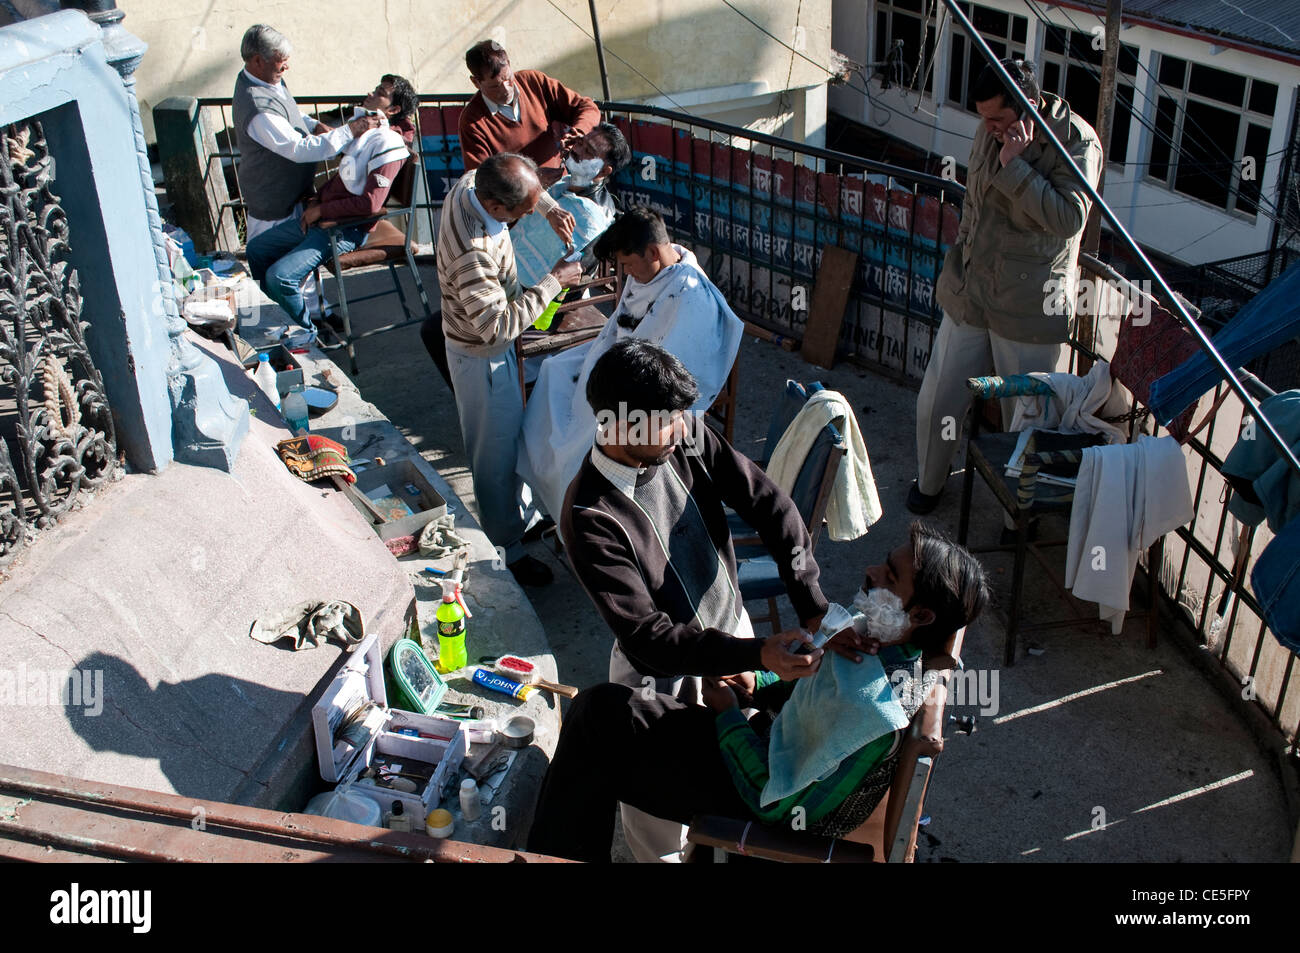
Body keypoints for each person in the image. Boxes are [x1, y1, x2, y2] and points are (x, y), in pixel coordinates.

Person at [526, 521, 990, 863]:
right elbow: (812, 692)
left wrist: (728, 715)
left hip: (759, 801)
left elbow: (779, 806)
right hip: (767, 745)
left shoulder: (872, 712)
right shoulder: (882, 640)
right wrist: (759, 683)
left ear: (923, 616)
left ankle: (555, 856)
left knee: (596, 730)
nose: (870, 572)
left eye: (889, 576)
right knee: (602, 711)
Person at [556, 339, 824, 861]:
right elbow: (648, 638)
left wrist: (810, 599)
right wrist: (755, 655)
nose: (682, 429)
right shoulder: (590, 515)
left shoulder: (687, 438)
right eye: (668, 421)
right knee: (659, 833)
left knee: (731, 792)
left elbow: (770, 505)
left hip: (735, 646)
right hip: (663, 679)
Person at [909, 58, 1102, 514]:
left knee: (1028, 417)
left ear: (1029, 107)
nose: (988, 127)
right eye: (984, 118)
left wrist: (1016, 167)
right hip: (972, 291)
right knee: (939, 399)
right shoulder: (990, 129)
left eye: (997, 118)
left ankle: (1020, 515)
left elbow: (1069, 219)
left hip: (1028, 305)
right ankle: (930, 482)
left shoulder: (1074, 140)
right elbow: (974, 204)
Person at [517, 208, 743, 524]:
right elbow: (620, 327)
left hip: (648, 383)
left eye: (627, 264)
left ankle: (582, 512)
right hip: (625, 357)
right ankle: (546, 494)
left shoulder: (692, 295)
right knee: (554, 373)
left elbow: (676, 369)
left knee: (590, 429)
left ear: (652, 252)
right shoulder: (651, 272)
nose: (626, 272)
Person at [435, 153, 584, 587]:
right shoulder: (472, 251)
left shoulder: (472, 183)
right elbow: (496, 328)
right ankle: (506, 553)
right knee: (493, 459)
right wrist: (555, 282)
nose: (526, 216)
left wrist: (548, 206)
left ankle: (519, 521)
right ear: (496, 208)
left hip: (486, 340)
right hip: (482, 355)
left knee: (512, 440)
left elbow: (510, 179)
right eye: (522, 211)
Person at [246, 76, 418, 347]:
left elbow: (371, 204)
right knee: (257, 250)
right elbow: (343, 181)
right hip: (324, 218)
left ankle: (305, 336)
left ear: (394, 109)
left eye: (380, 93)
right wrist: (317, 202)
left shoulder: (388, 144)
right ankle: (279, 322)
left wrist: (322, 210)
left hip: (345, 228)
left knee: (279, 277)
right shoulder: (366, 134)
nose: (370, 93)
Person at [232, 24, 381, 243]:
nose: (286, 68)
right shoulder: (258, 109)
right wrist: (351, 130)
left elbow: (289, 111)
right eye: (281, 62)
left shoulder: (268, 78)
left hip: (295, 199)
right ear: (257, 61)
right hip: (274, 211)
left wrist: (313, 126)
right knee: (278, 270)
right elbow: (299, 150)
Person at [458, 39, 601, 183]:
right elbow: (481, 179)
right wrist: (532, 180)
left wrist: (578, 133)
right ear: (476, 82)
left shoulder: (533, 82)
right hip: (516, 202)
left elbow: (587, 108)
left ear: (509, 64)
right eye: (495, 86)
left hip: (560, 190)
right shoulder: (472, 121)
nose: (506, 89)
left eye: (508, 78)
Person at [508, 122, 631, 288]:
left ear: (603, 171)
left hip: (537, 295)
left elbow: (563, 275)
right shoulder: (562, 183)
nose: (577, 151)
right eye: (580, 143)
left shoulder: (590, 217)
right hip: (508, 269)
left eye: (588, 151)